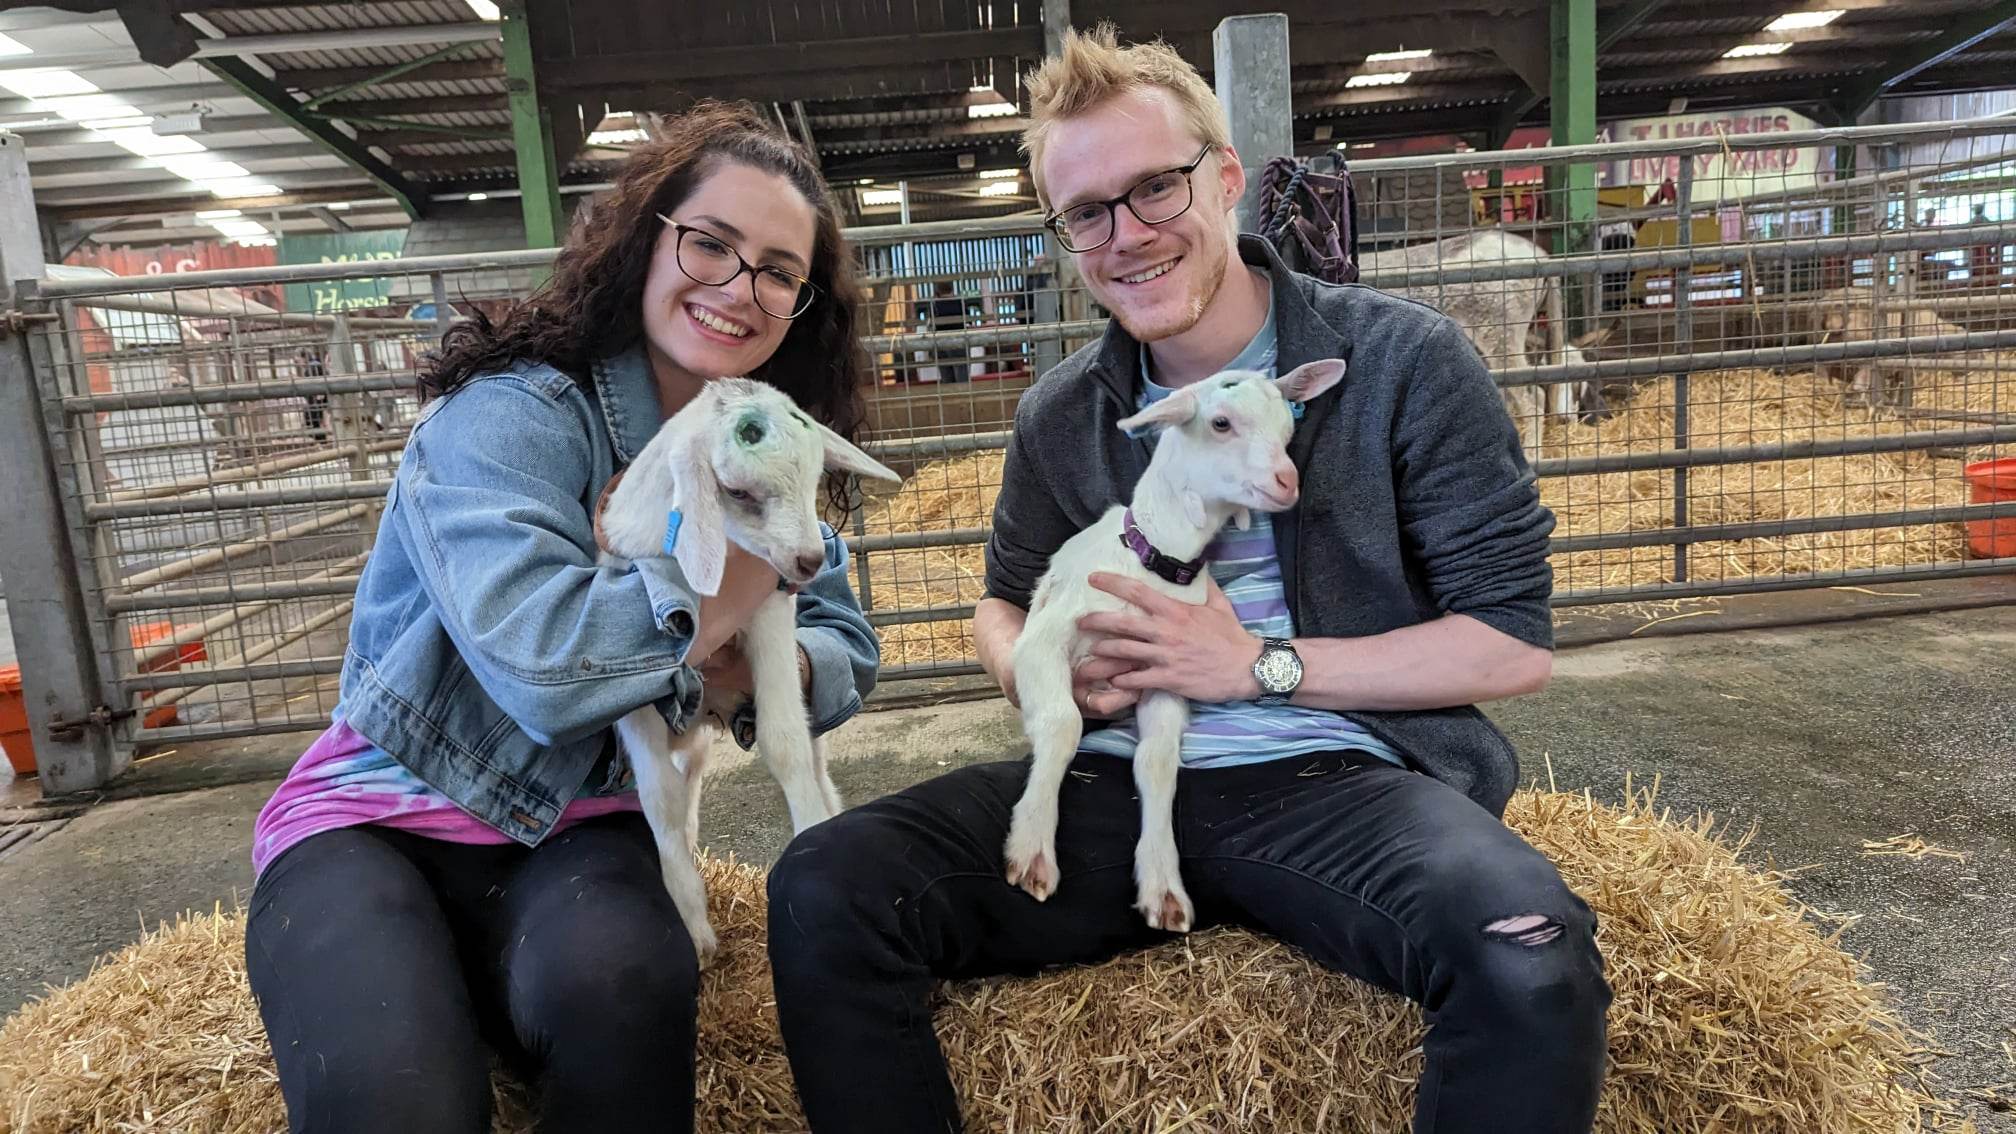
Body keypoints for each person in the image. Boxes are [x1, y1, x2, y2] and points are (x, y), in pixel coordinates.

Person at [765, 25, 1610, 1134]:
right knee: (826, 884)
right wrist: (1043, 680)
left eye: (1155, 190)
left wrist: (1255, 665)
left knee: (1533, 955)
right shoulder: (1064, 413)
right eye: (1087, 213)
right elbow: (1002, 603)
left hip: (1337, 779)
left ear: (1225, 181)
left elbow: (1510, 641)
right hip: (1113, 781)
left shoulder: (1405, 362)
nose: (1127, 235)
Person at [243, 101, 881, 1134]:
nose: (738, 288)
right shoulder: (512, 416)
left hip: (586, 831)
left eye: (777, 270)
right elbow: (546, 669)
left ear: (802, 304)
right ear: (646, 239)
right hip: (383, 823)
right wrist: (726, 596)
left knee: (628, 997)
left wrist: (745, 659)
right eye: (709, 244)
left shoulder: (766, 439)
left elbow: (845, 644)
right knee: (396, 1102)